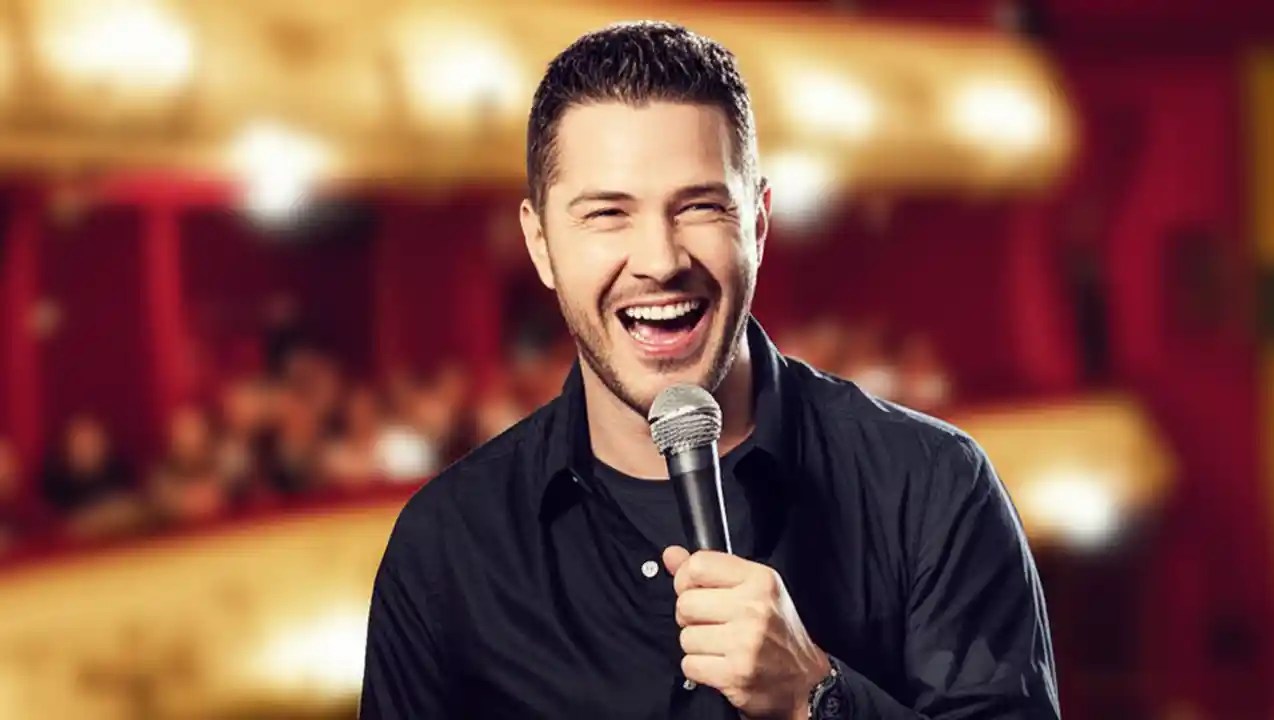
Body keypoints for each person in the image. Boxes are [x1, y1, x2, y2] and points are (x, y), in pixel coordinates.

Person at [361, 21, 1058, 720]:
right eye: (608, 214)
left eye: (699, 206)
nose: (660, 260)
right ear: (540, 244)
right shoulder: (445, 549)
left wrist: (816, 697)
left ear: (756, 224)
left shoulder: (932, 487)